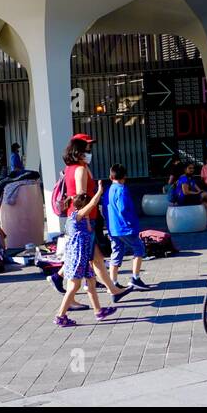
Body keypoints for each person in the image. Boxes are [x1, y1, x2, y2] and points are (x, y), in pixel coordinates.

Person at [49, 135, 133, 304]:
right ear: (78, 150)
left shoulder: (71, 168)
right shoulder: (80, 169)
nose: (89, 152)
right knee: (82, 263)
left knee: (96, 259)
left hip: (80, 220)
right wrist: (87, 220)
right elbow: (81, 198)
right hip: (84, 220)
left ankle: (113, 290)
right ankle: (68, 303)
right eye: (87, 148)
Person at [54, 177, 119, 328]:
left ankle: (98, 311)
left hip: (84, 257)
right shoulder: (77, 216)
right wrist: (100, 191)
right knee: (73, 287)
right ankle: (60, 316)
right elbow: (92, 203)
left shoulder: (85, 219)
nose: (92, 209)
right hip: (77, 258)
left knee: (91, 282)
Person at [104, 164, 153, 291]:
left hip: (113, 228)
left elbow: (105, 208)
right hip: (125, 227)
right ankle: (135, 278)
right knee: (139, 249)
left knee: (116, 253)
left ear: (111, 176)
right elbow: (123, 208)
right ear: (125, 176)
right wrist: (131, 223)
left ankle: (113, 283)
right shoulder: (122, 190)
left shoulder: (109, 190)